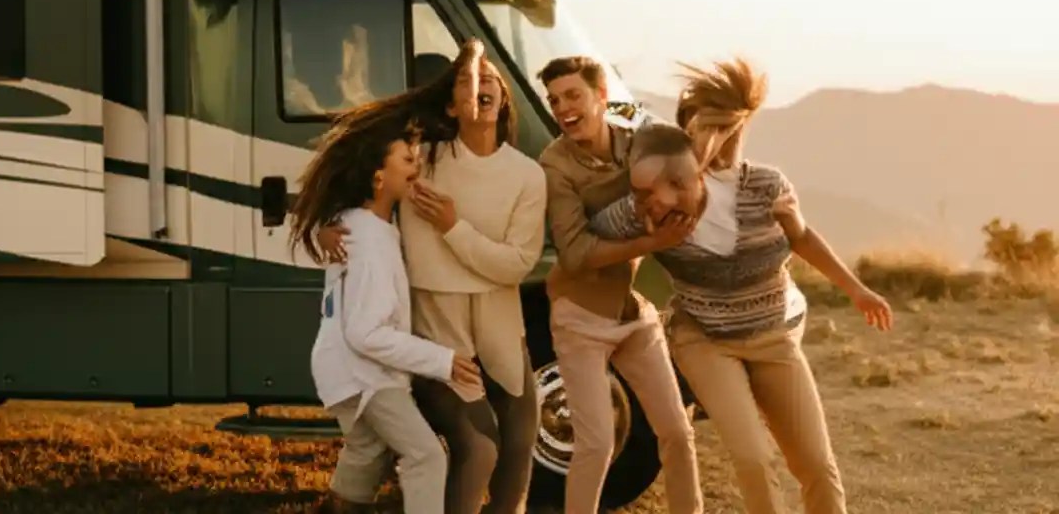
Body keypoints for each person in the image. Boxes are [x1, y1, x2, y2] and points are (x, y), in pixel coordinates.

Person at [588, 58, 895, 514]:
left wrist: (857, 290)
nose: (721, 140)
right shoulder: (660, 198)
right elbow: (596, 230)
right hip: (705, 340)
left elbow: (803, 238)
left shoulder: (768, 185)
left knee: (817, 465)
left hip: (773, 337)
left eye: (731, 126)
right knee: (754, 458)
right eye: (708, 126)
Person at [317, 40, 547, 514]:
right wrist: (326, 224)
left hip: (500, 322)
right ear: (450, 104)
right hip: (437, 325)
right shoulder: (422, 160)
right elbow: (361, 173)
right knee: (479, 447)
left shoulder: (527, 175)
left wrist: (453, 228)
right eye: (466, 81)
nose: (479, 86)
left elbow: (516, 264)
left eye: (488, 81)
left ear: (504, 100)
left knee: (521, 439)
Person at [533, 56, 704, 514]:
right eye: (554, 100)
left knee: (676, 431)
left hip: (631, 312)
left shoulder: (637, 144)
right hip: (579, 318)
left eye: (573, 95)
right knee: (595, 444)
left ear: (601, 97)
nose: (562, 108)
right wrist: (652, 240)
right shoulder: (554, 164)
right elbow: (574, 253)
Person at [290, 115, 483, 514]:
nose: (417, 168)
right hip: (365, 374)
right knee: (426, 456)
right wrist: (442, 361)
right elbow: (366, 333)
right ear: (379, 178)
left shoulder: (359, 225)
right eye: (408, 160)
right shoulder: (369, 238)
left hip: (348, 369)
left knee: (368, 451)